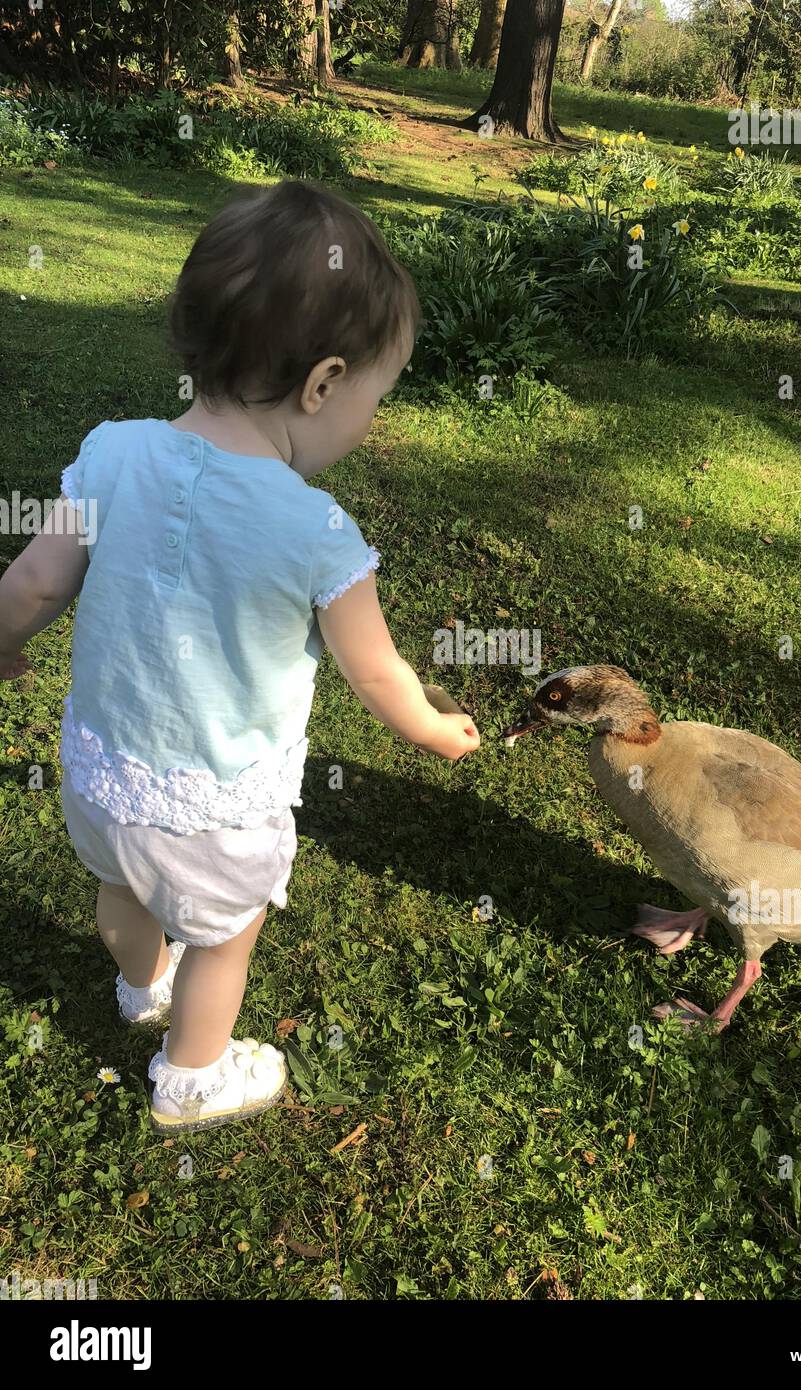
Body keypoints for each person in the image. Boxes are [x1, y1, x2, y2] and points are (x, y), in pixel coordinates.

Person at [0, 180, 480, 1134]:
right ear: (323, 384)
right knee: (224, 936)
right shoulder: (318, 531)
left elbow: (34, 586)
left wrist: (4, 647)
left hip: (100, 772)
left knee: (119, 891)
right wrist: (432, 728)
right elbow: (376, 671)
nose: (368, 421)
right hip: (218, 805)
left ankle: (141, 987)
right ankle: (193, 1074)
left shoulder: (113, 453)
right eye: (375, 399)